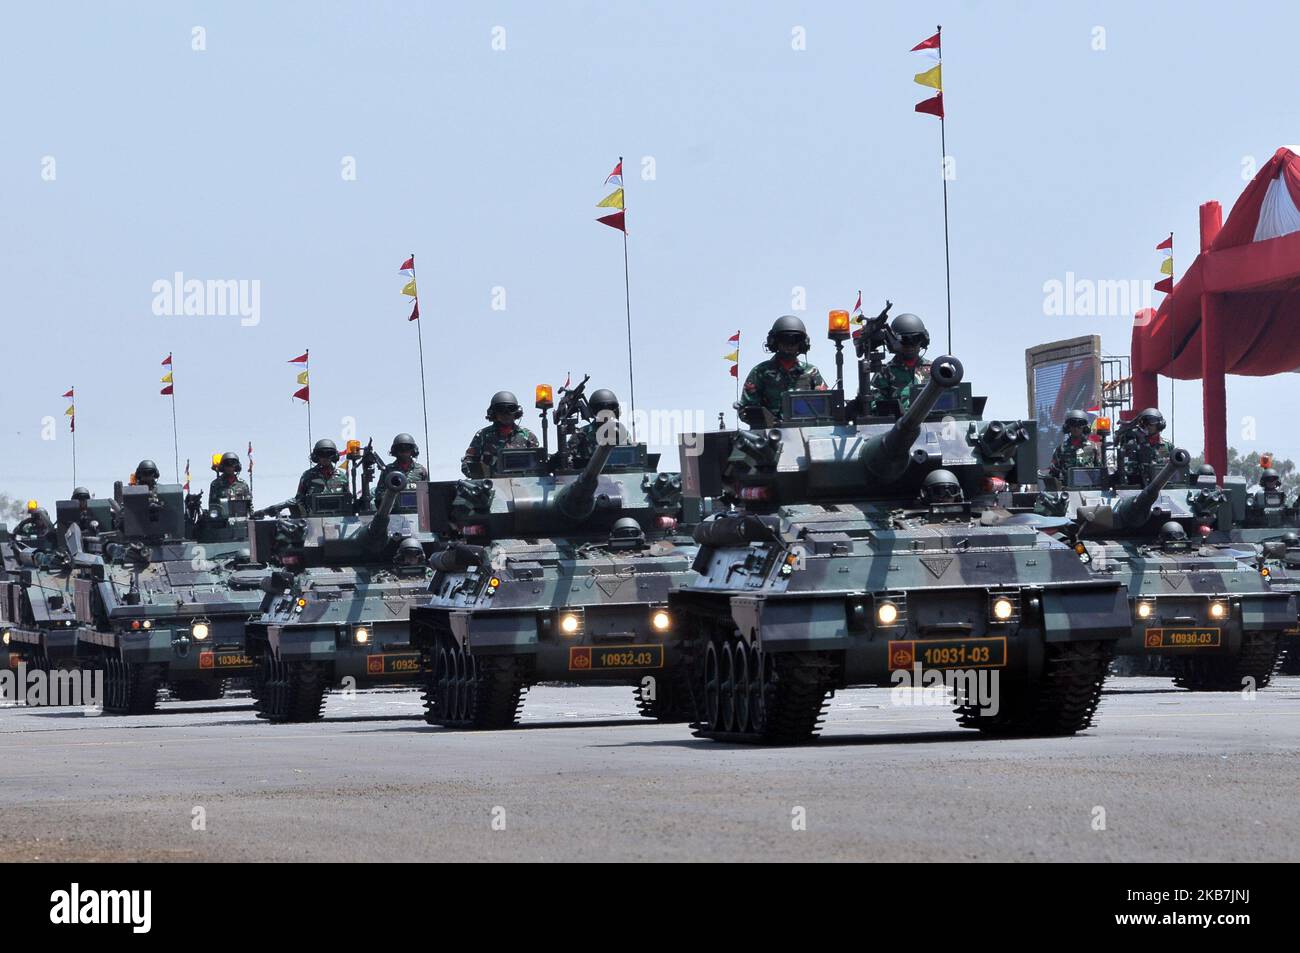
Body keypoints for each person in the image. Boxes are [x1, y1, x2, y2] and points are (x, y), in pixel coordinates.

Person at [738, 316, 826, 426]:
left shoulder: (811, 372)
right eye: (784, 340)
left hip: (805, 433)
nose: (789, 345)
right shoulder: (760, 372)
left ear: (802, 344)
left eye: (794, 340)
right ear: (774, 342)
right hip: (769, 437)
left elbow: (826, 407)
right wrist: (768, 422)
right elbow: (745, 410)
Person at [462, 392, 539, 477]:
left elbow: (538, 464)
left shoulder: (528, 436)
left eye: (511, 408)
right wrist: (479, 474)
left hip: (522, 487)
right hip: (490, 487)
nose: (506, 413)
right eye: (500, 409)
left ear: (517, 412)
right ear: (493, 413)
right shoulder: (483, 436)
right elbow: (468, 463)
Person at [869, 313, 931, 415]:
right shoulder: (885, 373)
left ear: (923, 341)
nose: (910, 346)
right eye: (904, 341)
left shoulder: (934, 371)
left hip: (931, 426)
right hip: (896, 427)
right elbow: (873, 404)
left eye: (914, 340)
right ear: (893, 343)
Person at [290, 439, 350, 513]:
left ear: (335, 456)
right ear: (315, 456)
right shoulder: (308, 476)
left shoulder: (342, 476)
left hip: (338, 519)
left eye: (329, 453)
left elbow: (348, 501)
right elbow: (299, 499)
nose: (325, 457)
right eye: (321, 454)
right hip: (313, 520)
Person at [1116, 408, 1173, 485]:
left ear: (1160, 425)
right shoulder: (1132, 445)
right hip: (1137, 486)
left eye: (1151, 423)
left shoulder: (1167, 445)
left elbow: (1177, 469)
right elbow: (1127, 469)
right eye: (1144, 424)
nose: (1147, 426)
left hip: (1165, 486)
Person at [569, 389, 622, 466]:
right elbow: (567, 461)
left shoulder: (621, 433)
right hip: (586, 477)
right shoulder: (581, 435)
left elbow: (633, 459)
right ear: (594, 412)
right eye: (601, 410)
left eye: (610, 410)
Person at [1047, 410, 1100, 484]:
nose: (1076, 428)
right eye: (1073, 425)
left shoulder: (1093, 448)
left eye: (1079, 425)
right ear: (1068, 427)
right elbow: (1053, 473)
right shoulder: (1061, 449)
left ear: (1085, 428)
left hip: (1089, 490)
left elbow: (1100, 470)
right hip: (1068, 490)